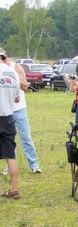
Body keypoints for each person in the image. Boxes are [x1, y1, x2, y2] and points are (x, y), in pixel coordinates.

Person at [0, 47, 41, 174]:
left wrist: (13, 76)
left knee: (26, 137)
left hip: (18, 108)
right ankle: (9, 166)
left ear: (6, 56)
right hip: (5, 109)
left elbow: (25, 86)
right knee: (7, 140)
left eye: (3, 56)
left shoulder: (15, 67)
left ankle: (34, 164)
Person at [0, 48, 21, 199]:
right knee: (10, 155)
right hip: (8, 118)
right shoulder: (12, 73)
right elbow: (17, 99)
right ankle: (14, 190)